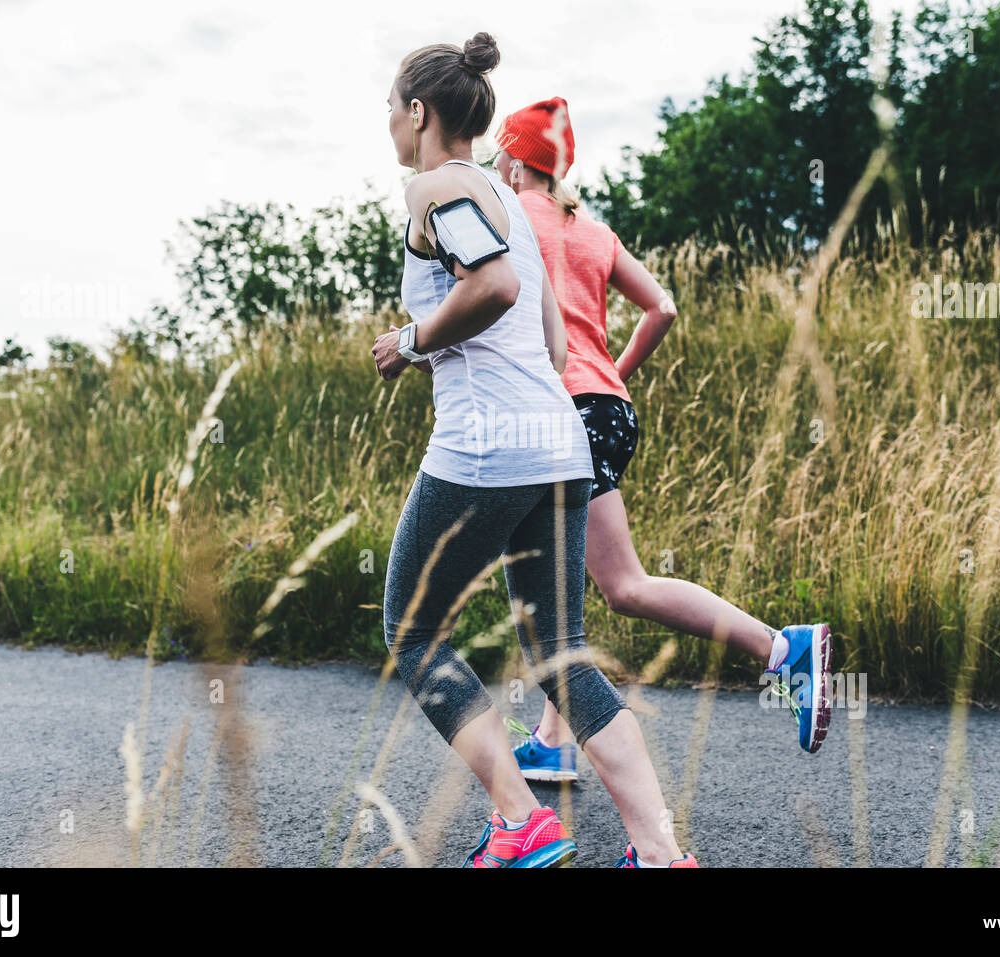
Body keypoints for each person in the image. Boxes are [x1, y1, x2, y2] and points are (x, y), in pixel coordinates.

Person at [373, 34, 696, 867]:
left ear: (420, 111)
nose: (388, 124)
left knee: (411, 631)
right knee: (561, 654)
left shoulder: (434, 185)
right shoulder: (514, 204)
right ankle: (660, 850)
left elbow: (494, 286)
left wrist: (413, 341)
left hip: (488, 443)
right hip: (559, 439)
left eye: (391, 108)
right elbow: (553, 344)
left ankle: (519, 819)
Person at [491, 98, 832, 793]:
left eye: (500, 151)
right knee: (578, 585)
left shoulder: (506, 210)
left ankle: (782, 646)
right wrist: (611, 370)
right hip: (608, 408)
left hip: (554, 409)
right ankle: (554, 741)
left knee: (609, 587)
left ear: (515, 158)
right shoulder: (592, 229)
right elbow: (664, 306)